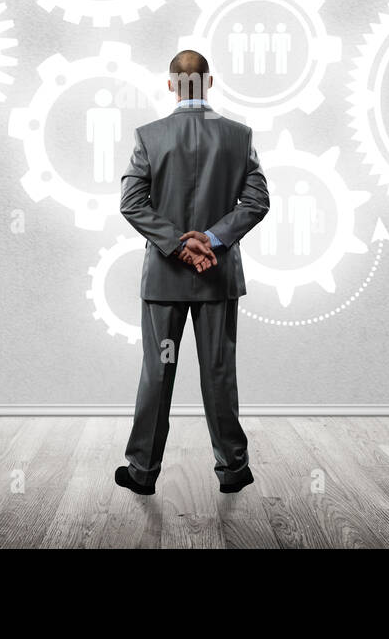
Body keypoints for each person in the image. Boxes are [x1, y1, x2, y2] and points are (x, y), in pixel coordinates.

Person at [116, 49, 269, 496]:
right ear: (209, 83)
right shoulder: (239, 137)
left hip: (164, 282)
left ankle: (142, 473)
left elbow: (132, 203)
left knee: (158, 371)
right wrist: (212, 240)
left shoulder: (150, 137)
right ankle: (234, 471)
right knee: (218, 372)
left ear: (170, 85)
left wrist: (179, 244)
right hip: (216, 278)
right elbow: (256, 202)